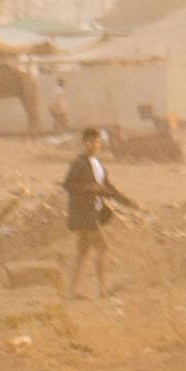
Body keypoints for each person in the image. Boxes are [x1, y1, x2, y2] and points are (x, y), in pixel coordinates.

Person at [58, 126, 138, 295]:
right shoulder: (78, 163)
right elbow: (68, 185)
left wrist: (127, 202)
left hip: (93, 212)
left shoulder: (98, 164)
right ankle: (102, 290)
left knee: (83, 252)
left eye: (97, 141)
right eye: (91, 141)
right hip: (84, 214)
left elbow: (108, 188)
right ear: (84, 143)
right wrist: (89, 188)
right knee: (103, 247)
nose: (95, 144)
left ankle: (72, 292)